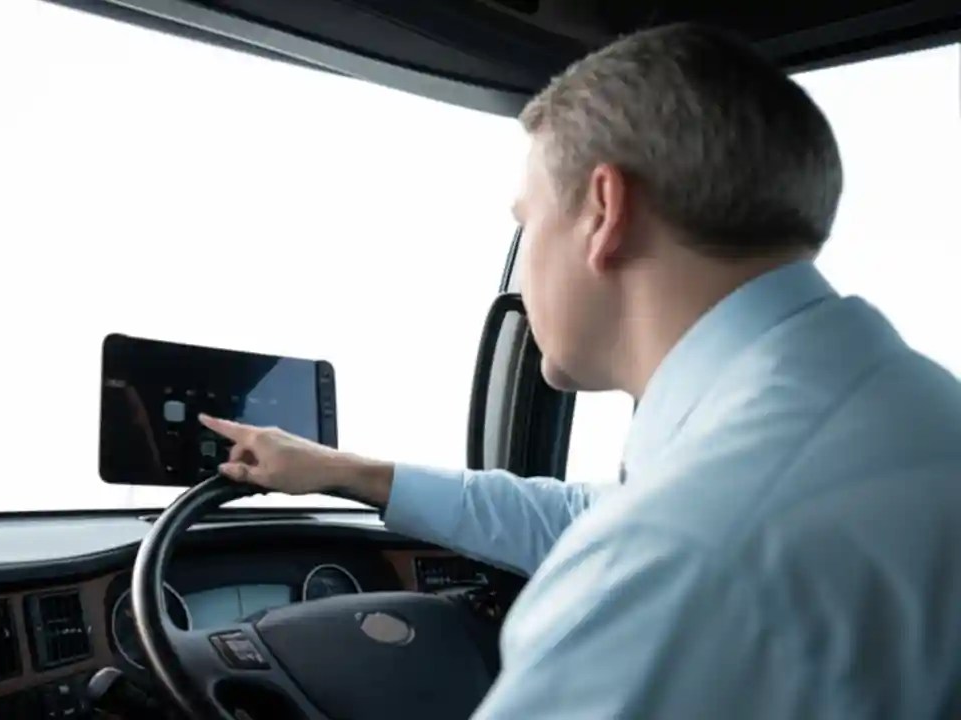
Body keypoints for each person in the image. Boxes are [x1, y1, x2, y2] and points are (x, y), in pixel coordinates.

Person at [201, 22, 961, 720]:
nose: (524, 273)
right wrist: (343, 472)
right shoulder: (893, 406)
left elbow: (643, 536)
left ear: (604, 212)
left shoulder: (671, 561)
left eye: (528, 223)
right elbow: (581, 515)